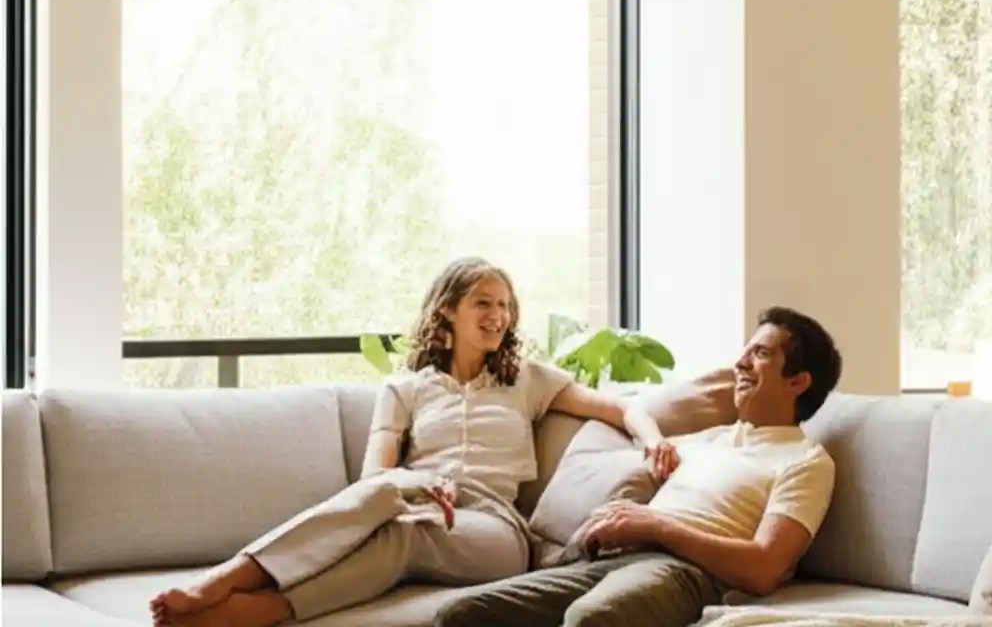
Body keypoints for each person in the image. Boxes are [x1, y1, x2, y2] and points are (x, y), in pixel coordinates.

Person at [149, 257, 675, 627]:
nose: (498, 316)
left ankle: (260, 604)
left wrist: (652, 440)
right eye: (482, 303)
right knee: (387, 512)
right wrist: (419, 482)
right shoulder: (404, 388)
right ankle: (230, 580)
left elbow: (623, 407)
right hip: (417, 504)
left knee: (401, 537)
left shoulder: (529, 381)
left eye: (505, 305)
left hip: (494, 530)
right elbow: (374, 481)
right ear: (447, 309)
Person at [434, 306, 843, 627]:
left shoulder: (805, 460)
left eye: (760, 353)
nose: (739, 363)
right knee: (463, 615)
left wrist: (653, 525)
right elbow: (639, 440)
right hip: (616, 556)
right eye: (745, 350)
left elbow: (764, 568)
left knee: (593, 621)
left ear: (798, 382)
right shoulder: (711, 440)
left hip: (684, 573)